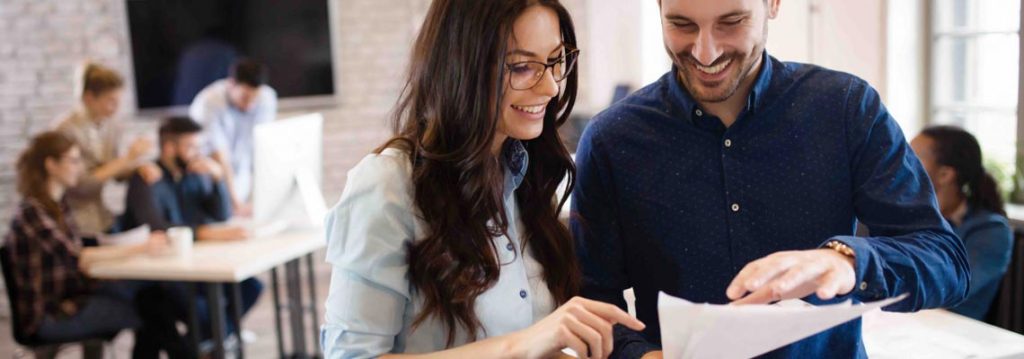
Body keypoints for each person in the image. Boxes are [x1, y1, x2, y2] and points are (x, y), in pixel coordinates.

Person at [571, 0, 971, 358]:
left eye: (731, 22)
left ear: (773, 5)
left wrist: (846, 261)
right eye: (682, 25)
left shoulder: (846, 109)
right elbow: (591, 298)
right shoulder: (613, 139)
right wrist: (640, 355)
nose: (704, 51)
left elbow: (946, 263)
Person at [320, 1, 644, 358]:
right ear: (462, 67)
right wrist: (522, 344)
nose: (551, 87)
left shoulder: (527, 177)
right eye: (522, 67)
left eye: (556, 60)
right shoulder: (388, 185)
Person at [4, 131, 187, 358]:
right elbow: (78, 258)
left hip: (73, 298)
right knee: (152, 309)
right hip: (52, 314)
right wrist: (140, 247)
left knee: (152, 297)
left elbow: (79, 253)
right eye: (73, 160)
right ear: (51, 165)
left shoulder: (57, 206)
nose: (80, 168)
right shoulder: (33, 212)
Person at [117, 116, 263, 341]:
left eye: (199, 146)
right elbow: (156, 227)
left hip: (196, 265)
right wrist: (207, 233)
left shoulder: (194, 174)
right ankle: (214, 343)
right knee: (206, 314)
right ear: (169, 147)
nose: (197, 152)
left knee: (250, 287)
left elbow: (221, 214)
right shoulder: (147, 176)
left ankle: (209, 345)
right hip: (162, 274)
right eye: (191, 146)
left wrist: (217, 179)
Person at [911, 126, 1013, 321]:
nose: (902, 163)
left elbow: (950, 288)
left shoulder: (991, 230)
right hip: (907, 323)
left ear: (945, 175)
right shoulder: (912, 216)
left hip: (952, 336)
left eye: (912, 156)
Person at [54, 62, 159, 238]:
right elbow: (79, 185)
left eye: (118, 101)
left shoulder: (111, 126)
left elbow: (115, 174)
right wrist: (127, 158)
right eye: (111, 101)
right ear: (88, 97)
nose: (116, 108)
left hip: (102, 217)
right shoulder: (65, 131)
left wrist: (137, 167)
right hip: (74, 220)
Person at [188, 58, 277, 216]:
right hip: (209, 175)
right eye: (244, 97)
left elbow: (263, 146)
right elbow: (219, 155)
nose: (250, 105)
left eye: (254, 98)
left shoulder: (267, 97)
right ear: (231, 84)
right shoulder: (208, 102)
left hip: (241, 170)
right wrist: (236, 204)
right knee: (222, 213)